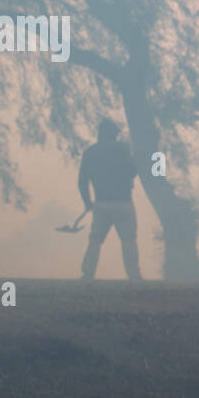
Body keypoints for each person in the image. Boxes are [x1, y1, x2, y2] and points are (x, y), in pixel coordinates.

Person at [78, 118, 142, 281]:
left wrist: (87, 202)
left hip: (101, 203)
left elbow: (82, 180)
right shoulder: (123, 149)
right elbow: (134, 171)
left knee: (95, 239)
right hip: (123, 202)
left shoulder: (90, 152)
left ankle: (88, 273)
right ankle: (133, 275)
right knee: (128, 240)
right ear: (114, 134)